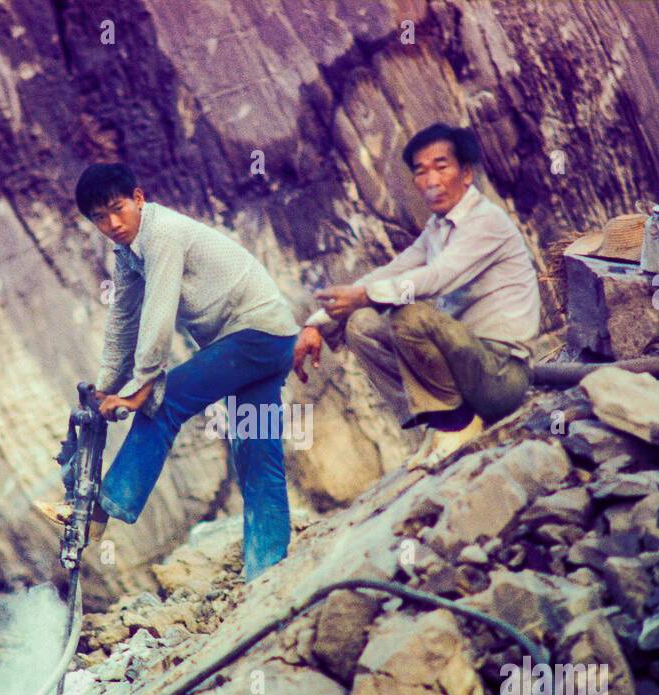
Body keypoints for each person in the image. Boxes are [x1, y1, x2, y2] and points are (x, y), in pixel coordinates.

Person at [34, 163, 300, 581]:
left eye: (118, 208)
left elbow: (158, 315)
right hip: (264, 340)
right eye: (99, 218)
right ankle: (267, 573)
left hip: (257, 334)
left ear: (138, 198)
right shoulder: (128, 252)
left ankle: (99, 512)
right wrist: (106, 388)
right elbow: (124, 320)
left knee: (165, 401)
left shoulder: (162, 235)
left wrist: (142, 386)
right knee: (256, 454)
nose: (112, 223)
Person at [294, 123, 541, 470]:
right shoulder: (437, 230)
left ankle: (457, 424)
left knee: (408, 316)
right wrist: (316, 324)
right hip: (467, 366)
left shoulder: (487, 221)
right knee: (361, 325)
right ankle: (439, 421)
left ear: (466, 173)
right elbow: (390, 273)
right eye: (421, 172)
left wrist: (366, 295)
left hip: (501, 375)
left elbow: (437, 278)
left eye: (442, 167)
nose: (432, 180)